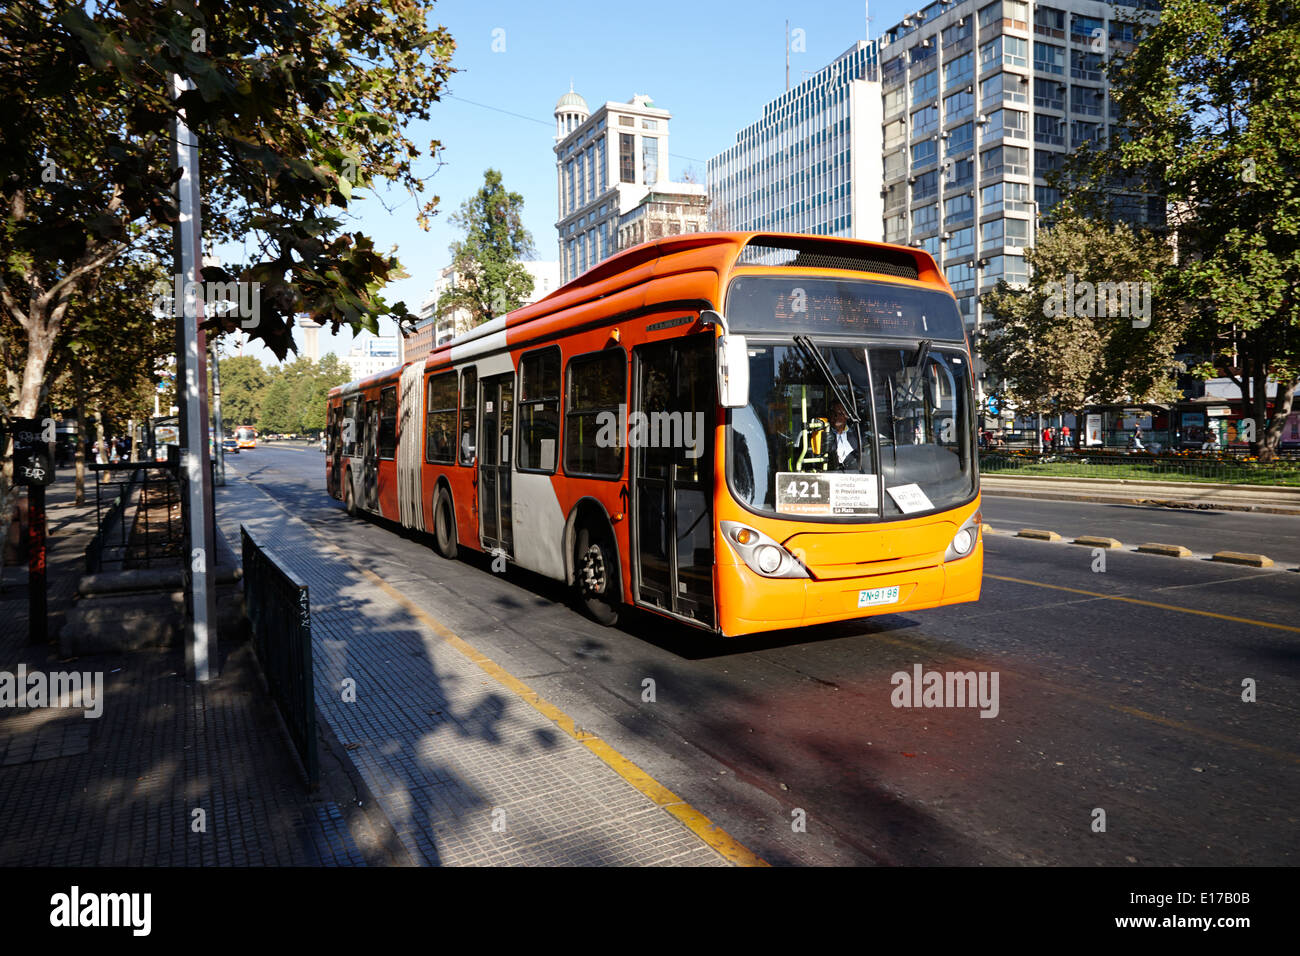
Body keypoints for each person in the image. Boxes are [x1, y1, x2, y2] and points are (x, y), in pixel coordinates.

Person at [828, 402, 860, 470]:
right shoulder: (824, 435)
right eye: (833, 414)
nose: (836, 417)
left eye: (840, 414)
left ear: (847, 416)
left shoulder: (857, 435)